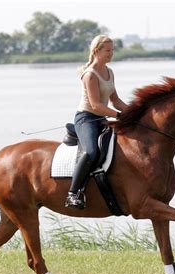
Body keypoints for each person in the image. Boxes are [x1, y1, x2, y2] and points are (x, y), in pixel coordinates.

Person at [65, 35, 129, 209]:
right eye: (108, 50)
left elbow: (116, 100)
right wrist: (119, 116)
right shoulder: (90, 75)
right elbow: (95, 105)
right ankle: (73, 193)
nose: (111, 53)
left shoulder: (109, 72)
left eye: (112, 50)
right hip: (86, 118)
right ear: (96, 51)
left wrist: (133, 112)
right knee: (91, 152)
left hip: (102, 118)